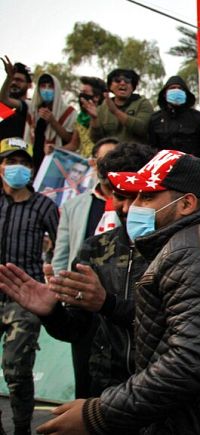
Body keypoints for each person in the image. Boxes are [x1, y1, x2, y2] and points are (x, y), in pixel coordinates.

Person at [34, 149, 200, 434]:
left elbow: (190, 362)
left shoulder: (192, 254)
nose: (130, 207)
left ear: (186, 203)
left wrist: (98, 413)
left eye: (147, 197)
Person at [0, 142, 155, 399]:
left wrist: (108, 304)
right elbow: (76, 330)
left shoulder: (176, 248)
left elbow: (174, 324)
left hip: (154, 391)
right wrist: (51, 312)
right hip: (97, 391)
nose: (127, 208)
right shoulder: (94, 249)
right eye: (119, 195)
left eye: (138, 194)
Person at [50, 137, 118, 398]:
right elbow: (62, 255)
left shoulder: (136, 206)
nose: (110, 165)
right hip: (82, 310)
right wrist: (60, 293)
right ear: (93, 163)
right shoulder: (73, 206)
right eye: (104, 159)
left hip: (117, 307)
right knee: (86, 383)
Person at [0, 137, 59, 435]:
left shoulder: (44, 206)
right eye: (11, 162)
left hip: (24, 298)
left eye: (24, 163)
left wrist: (54, 274)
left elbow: (63, 243)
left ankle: (21, 428)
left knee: (17, 367)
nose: (17, 168)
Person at [148, 76, 200, 160]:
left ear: (185, 94)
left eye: (180, 88)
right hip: (165, 167)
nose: (176, 90)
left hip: (193, 167)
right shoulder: (155, 118)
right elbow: (151, 147)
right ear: (165, 93)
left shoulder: (196, 117)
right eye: (172, 88)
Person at [87, 68, 153, 144]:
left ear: (133, 86)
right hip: (110, 153)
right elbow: (96, 140)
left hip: (136, 153)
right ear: (110, 86)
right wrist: (94, 119)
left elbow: (142, 129)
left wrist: (115, 111)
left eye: (127, 80)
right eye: (117, 80)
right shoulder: (102, 108)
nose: (122, 83)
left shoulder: (143, 103)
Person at [26, 72, 77, 170]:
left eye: (50, 87)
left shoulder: (68, 112)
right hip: (33, 160)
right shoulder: (32, 109)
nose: (46, 90)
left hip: (55, 161)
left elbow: (70, 139)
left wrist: (53, 121)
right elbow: (5, 101)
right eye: (43, 86)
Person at [65, 76, 108, 158]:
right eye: (81, 92)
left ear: (97, 97)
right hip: (85, 164)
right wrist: (55, 149)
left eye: (85, 92)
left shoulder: (106, 115)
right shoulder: (80, 117)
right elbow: (74, 145)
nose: (81, 95)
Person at [0, 57, 32, 141]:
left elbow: (4, 99)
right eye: (12, 79)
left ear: (29, 85)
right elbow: (3, 100)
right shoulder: (4, 107)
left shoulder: (31, 106)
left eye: (18, 80)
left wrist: (9, 77)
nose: (14, 82)